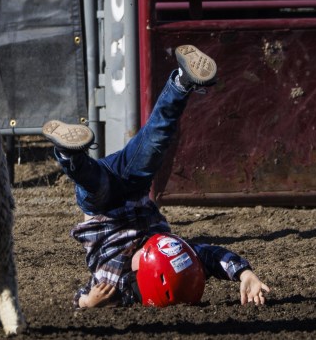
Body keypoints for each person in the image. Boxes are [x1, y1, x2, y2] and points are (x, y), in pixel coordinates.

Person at [42, 45, 271, 308]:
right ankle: (183, 81)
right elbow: (210, 256)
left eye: (147, 253)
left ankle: (68, 153)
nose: (158, 243)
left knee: (94, 182)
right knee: (157, 138)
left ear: (146, 273)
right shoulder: (180, 258)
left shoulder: (115, 282)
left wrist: (86, 302)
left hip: (103, 211)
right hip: (134, 187)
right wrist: (245, 273)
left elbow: (80, 296)